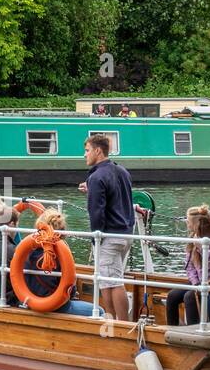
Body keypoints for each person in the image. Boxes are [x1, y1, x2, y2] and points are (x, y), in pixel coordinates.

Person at [78, 133, 134, 320]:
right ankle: (111, 319)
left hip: (109, 235)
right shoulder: (122, 172)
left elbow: (97, 212)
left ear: (98, 151)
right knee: (106, 280)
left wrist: (96, 237)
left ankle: (122, 326)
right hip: (126, 233)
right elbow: (118, 197)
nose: (84, 155)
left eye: (87, 151)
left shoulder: (96, 177)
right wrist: (91, 191)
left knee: (114, 281)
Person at [22, 209, 101, 317]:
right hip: (57, 307)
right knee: (100, 311)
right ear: (61, 232)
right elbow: (70, 291)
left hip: (29, 303)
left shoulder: (27, 251)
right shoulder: (60, 257)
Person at [170, 205, 210, 325]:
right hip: (199, 280)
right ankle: (169, 329)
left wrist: (203, 249)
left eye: (188, 222)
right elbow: (189, 266)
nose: (187, 225)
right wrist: (196, 283)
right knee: (172, 296)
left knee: (189, 297)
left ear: (196, 224)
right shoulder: (193, 238)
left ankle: (194, 330)